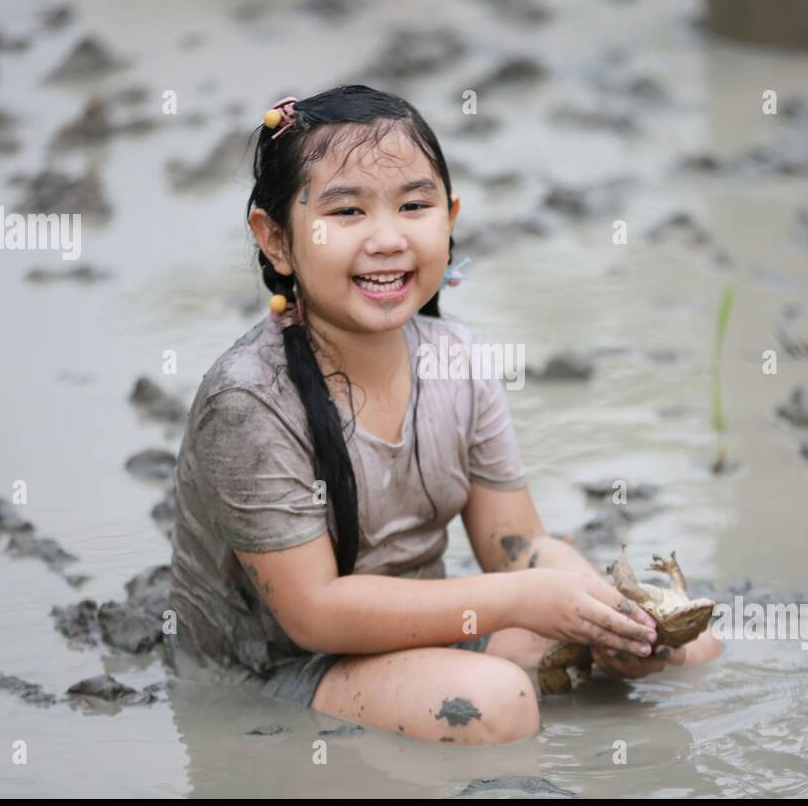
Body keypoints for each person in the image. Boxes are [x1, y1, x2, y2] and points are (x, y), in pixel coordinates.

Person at [165, 85, 721, 745]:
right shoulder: (249, 402)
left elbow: (515, 544)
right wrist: (523, 602)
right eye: (346, 211)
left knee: (689, 650)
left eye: (415, 206)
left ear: (449, 219)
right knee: (494, 703)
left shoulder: (455, 359)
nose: (387, 238)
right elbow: (313, 615)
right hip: (270, 674)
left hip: (418, 635)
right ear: (277, 239)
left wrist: (606, 612)